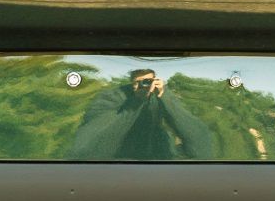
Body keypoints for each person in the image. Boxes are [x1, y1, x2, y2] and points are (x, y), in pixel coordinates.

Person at [65, 68, 217, 160]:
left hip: (159, 162)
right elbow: (89, 144)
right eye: (139, 82)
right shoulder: (112, 97)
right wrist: (136, 102)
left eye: (148, 81)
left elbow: (199, 140)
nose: (145, 86)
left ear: (156, 81)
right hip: (118, 163)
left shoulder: (162, 96)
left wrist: (164, 97)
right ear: (131, 83)